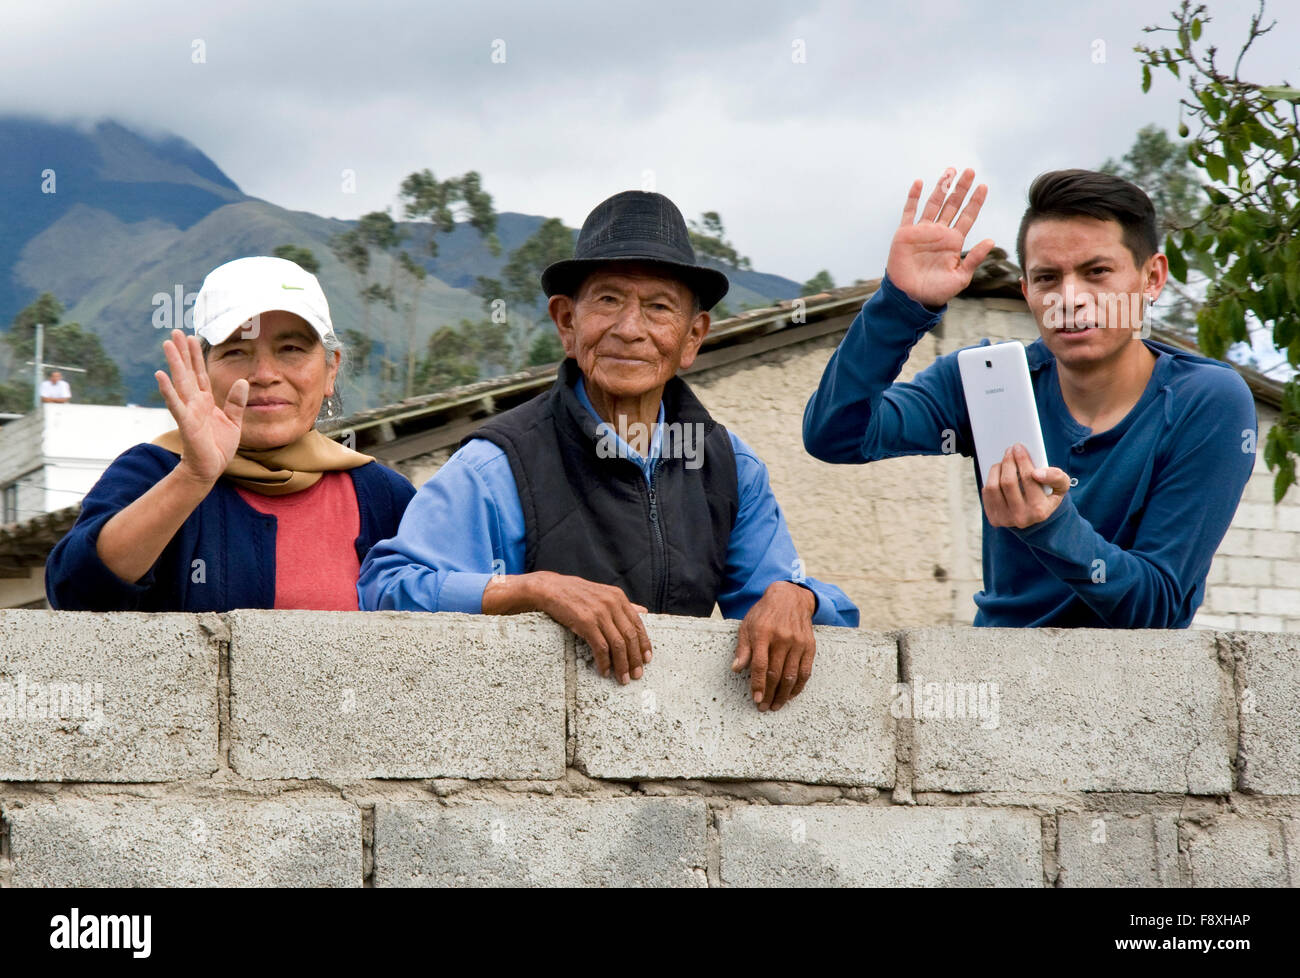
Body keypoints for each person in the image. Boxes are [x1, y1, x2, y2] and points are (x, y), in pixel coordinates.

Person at [359, 191, 858, 712]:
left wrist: (798, 598)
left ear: (692, 337)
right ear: (567, 323)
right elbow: (387, 587)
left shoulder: (728, 466)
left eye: (658, 307)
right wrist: (533, 591)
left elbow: (792, 606)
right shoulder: (499, 463)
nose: (630, 329)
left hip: (678, 754)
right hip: (532, 759)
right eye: (608, 300)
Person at [803, 167, 1256, 627]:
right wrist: (899, 306)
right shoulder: (986, 379)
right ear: (1026, 291)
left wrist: (1050, 526)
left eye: (1097, 272)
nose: (1070, 298)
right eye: (1046, 278)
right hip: (993, 675)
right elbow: (835, 436)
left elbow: (1159, 607)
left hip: (1129, 688)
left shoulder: (1206, 401)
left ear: (1152, 277)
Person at [46, 256, 415, 612]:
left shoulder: (383, 496)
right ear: (202, 370)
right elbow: (77, 593)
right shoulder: (154, 471)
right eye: (236, 351)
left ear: (330, 369)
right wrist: (193, 478)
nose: (265, 373)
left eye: (291, 349)